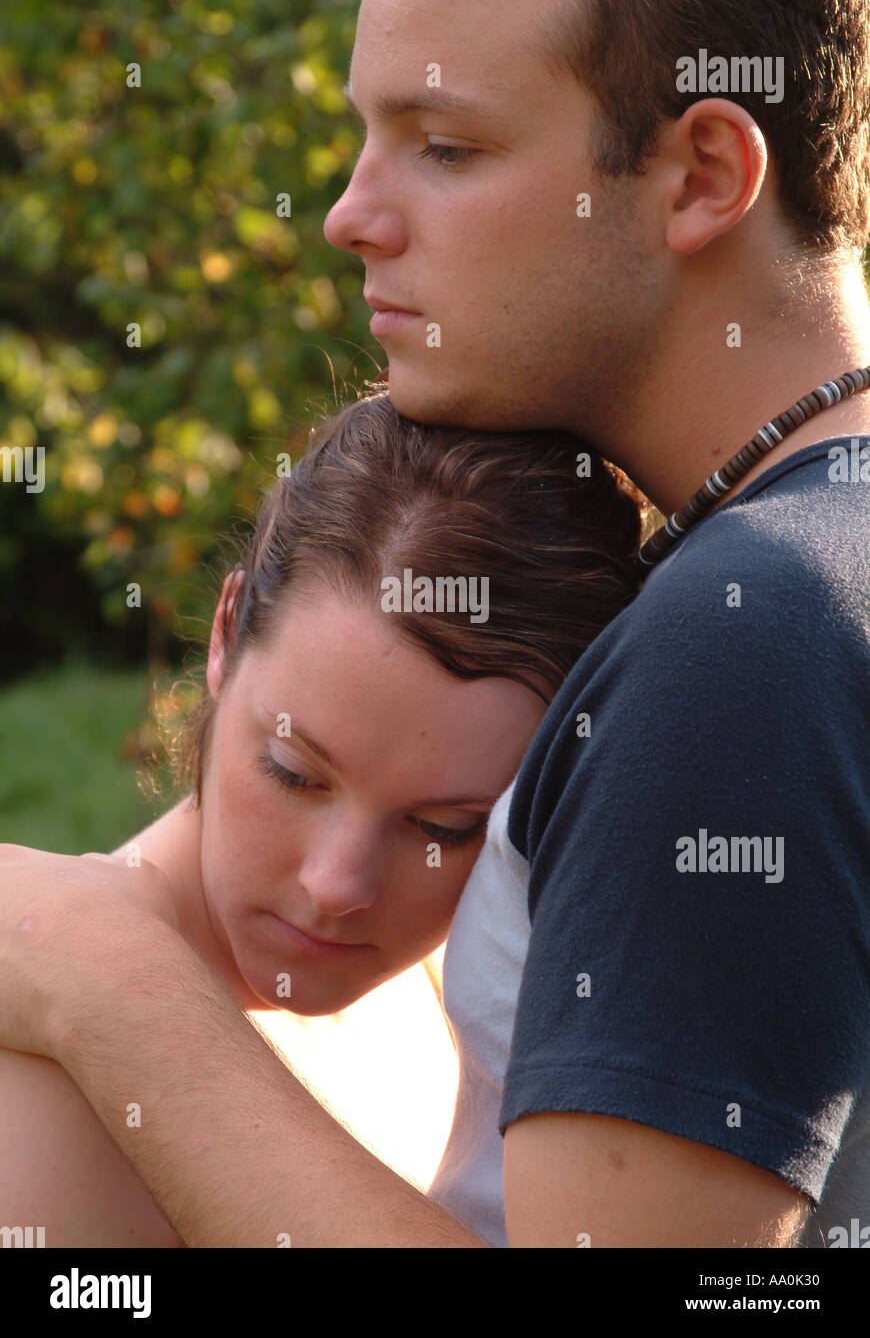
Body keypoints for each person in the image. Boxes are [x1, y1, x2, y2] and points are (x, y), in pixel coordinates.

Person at [1, 0, 869, 1248]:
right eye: (364, 135)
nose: (350, 214)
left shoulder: (740, 638)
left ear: (699, 177)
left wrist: (105, 978)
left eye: (444, 145)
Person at [0, 394, 641, 1245]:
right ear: (226, 634)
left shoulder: (468, 999)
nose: (336, 887)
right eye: (294, 774)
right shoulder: (41, 1094)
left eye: (444, 829)